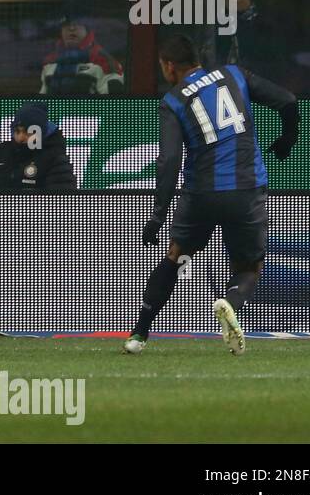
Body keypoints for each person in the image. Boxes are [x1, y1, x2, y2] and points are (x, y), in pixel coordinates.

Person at [126, 34, 300, 356]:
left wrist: (158, 214)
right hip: (245, 191)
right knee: (249, 268)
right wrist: (288, 138)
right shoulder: (235, 74)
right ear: (197, 58)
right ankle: (231, 301)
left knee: (176, 257)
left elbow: (169, 161)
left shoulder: (173, 100)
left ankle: (139, 334)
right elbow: (288, 100)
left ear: (168, 66)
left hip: (201, 195)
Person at [0, 101, 76, 191]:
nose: (21, 137)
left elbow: (60, 201)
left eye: (28, 132)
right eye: (17, 131)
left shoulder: (55, 159)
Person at [38, 10, 124, 95]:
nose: (71, 28)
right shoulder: (50, 61)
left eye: (78, 24)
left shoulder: (103, 60)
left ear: (87, 30)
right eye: (66, 25)